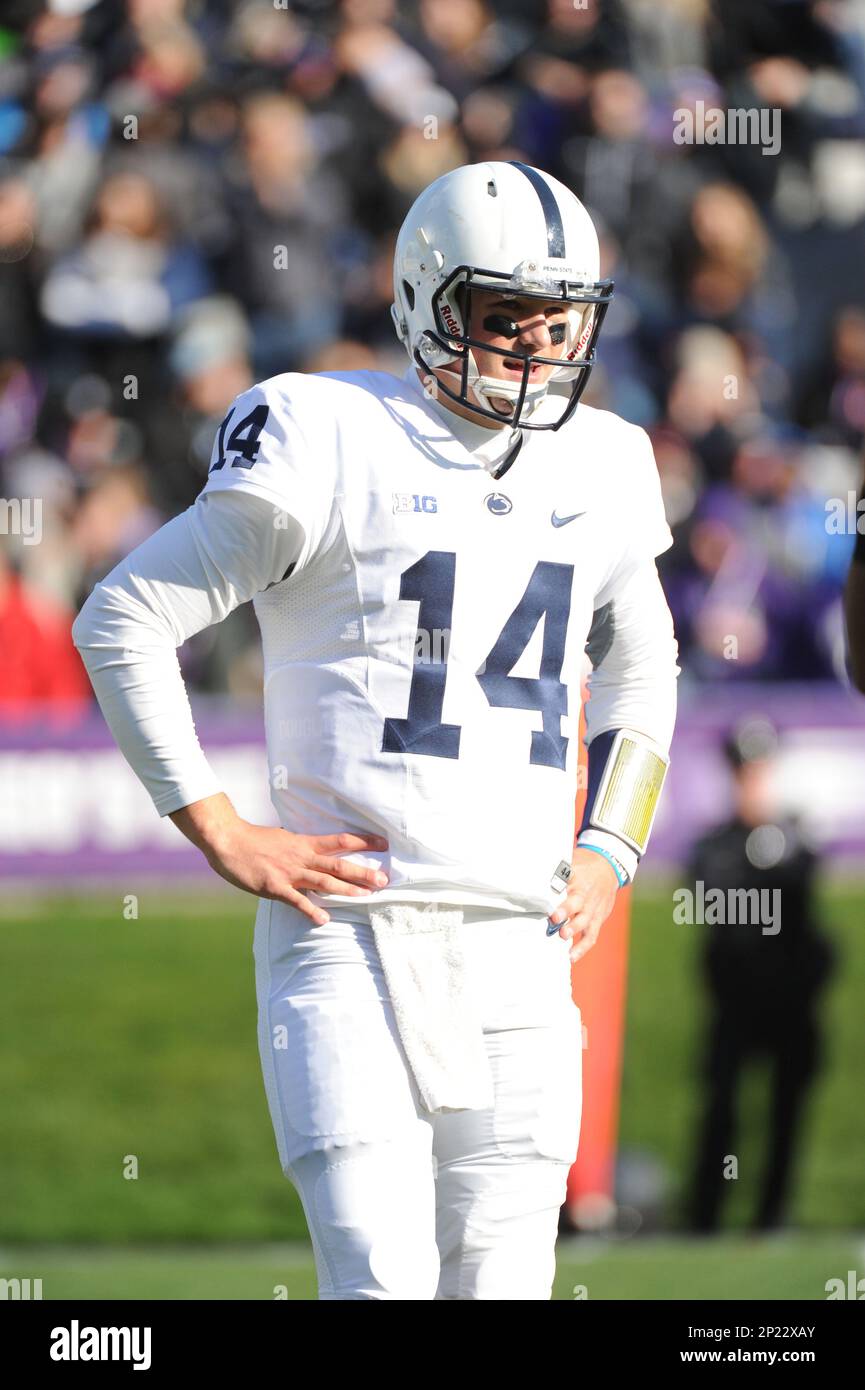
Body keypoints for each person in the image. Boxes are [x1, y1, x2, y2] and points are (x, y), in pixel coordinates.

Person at [72, 161, 679, 1300]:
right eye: (506, 320)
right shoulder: (326, 426)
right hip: (350, 928)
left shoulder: (605, 458)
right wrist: (218, 828)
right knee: (380, 1283)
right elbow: (124, 615)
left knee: (505, 1284)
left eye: (559, 324)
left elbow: (646, 668)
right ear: (424, 301)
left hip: (521, 938)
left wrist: (613, 846)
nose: (537, 352)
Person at [685, 716, 837, 1234]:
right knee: (722, 1109)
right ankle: (705, 1218)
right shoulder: (715, 847)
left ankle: (772, 1218)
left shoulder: (796, 840)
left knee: (784, 1115)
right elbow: (716, 904)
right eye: (745, 772)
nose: (754, 782)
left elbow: (804, 902)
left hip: (790, 1005)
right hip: (735, 1002)